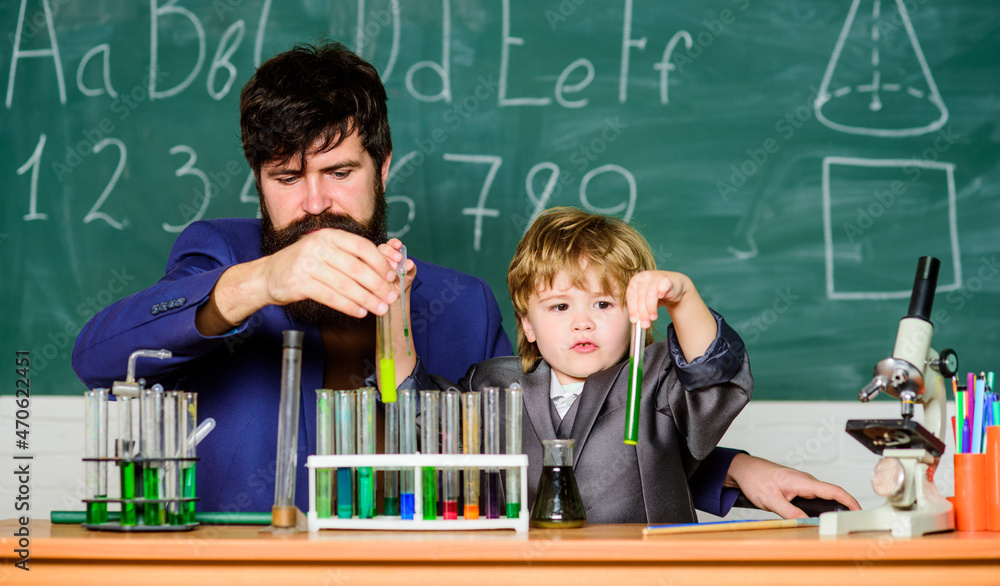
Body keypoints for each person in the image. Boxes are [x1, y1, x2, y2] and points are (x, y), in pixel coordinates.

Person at [72, 42, 858, 518]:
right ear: (259, 181)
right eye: (286, 177)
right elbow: (95, 358)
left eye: (340, 171)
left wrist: (730, 472)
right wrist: (257, 282)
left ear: (383, 168)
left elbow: (537, 440)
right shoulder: (219, 259)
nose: (314, 202)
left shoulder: (457, 304)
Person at [443, 207, 750, 523]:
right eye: (560, 306)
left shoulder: (657, 380)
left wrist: (683, 298)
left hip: (647, 568)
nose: (582, 323)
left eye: (603, 304)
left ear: (635, 314)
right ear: (528, 324)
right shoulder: (493, 385)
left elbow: (713, 377)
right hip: (528, 569)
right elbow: (425, 430)